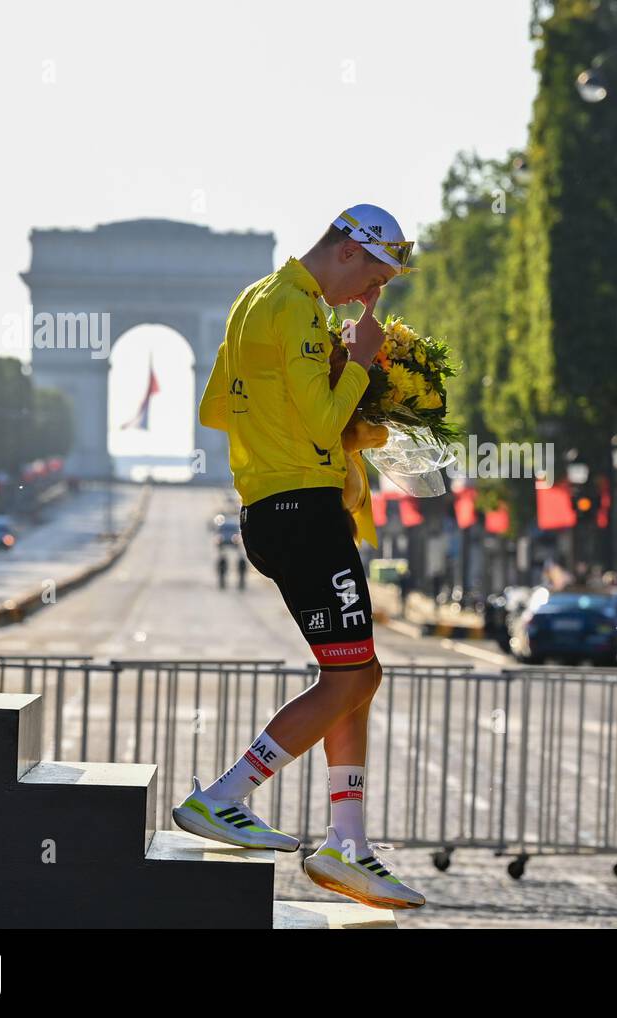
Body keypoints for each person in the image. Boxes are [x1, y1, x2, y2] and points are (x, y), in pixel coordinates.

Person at [176, 204, 424, 910]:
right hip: (305, 513)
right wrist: (361, 362)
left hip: (269, 507)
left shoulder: (253, 300)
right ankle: (227, 795)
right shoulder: (299, 310)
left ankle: (349, 841)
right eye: (374, 279)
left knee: (357, 674)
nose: (370, 296)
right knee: (352, 678)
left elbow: (214, 410)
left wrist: (310, 397)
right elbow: (321, 422)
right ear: (348, 251)